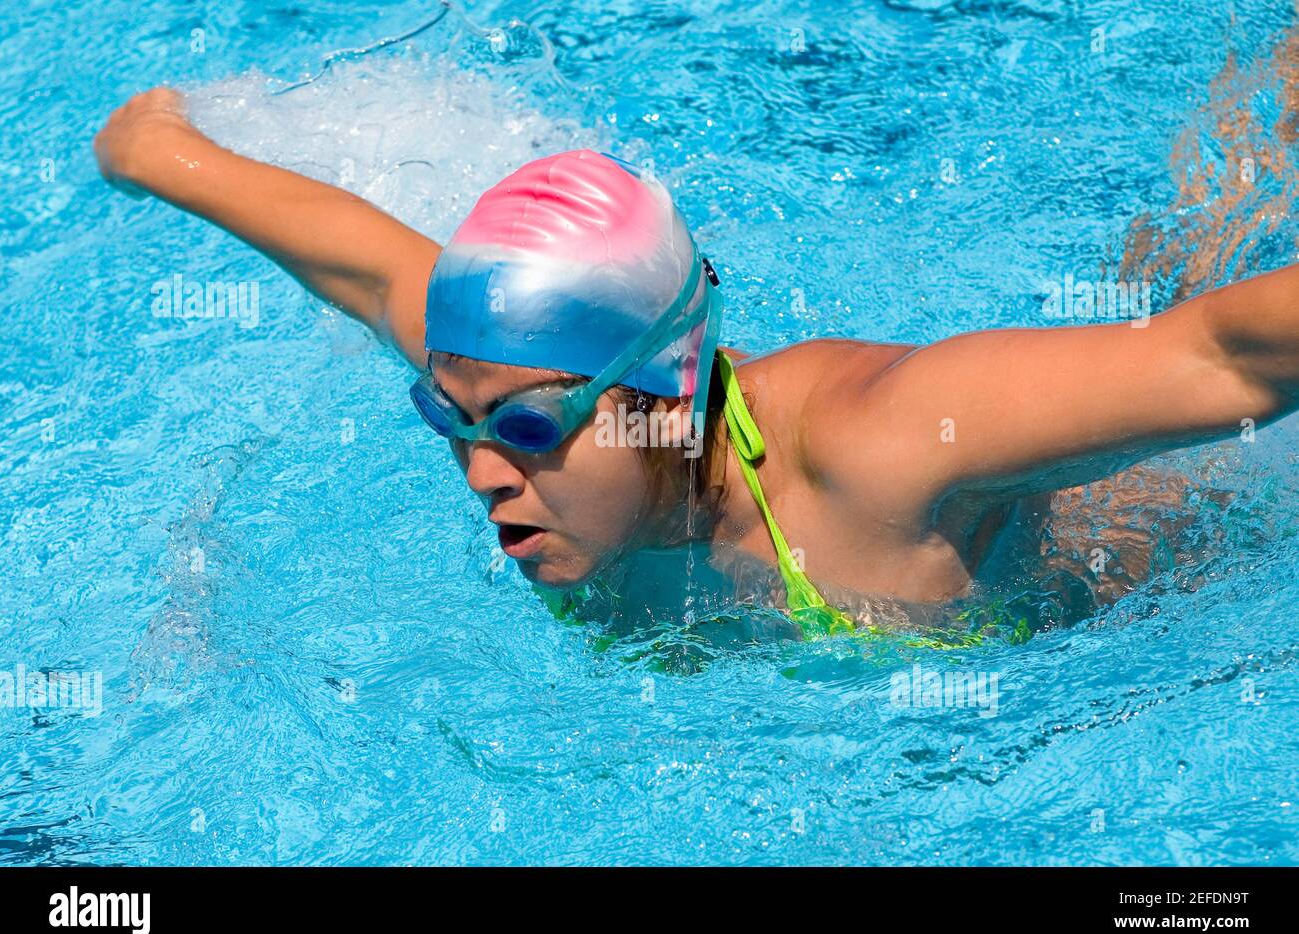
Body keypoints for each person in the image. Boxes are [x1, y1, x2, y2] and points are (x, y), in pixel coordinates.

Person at [93, 87, 1299, 640]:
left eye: (520, 429)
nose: (479, 470)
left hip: (1157, 560)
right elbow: (367, 267)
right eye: (447, 420)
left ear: (663, 398)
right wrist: (155, 147)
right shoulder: (521, 383)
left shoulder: (880, 447)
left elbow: (1221, 361)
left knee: (1180, 281)